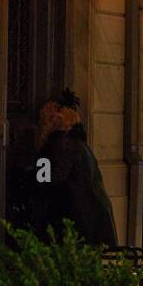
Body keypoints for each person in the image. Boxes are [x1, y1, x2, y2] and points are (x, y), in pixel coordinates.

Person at [30, 91, 118, 247]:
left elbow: (44, 182)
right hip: (91, 224)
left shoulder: (58, 146)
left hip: (75, 227)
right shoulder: (78, 144)